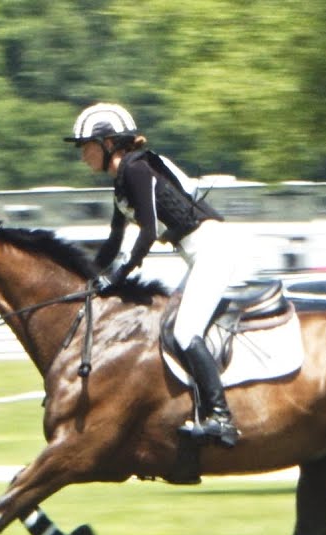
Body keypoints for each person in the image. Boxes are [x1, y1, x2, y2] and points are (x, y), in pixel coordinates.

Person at [65, 102, 241, 447]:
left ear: (108, 143)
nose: (82, 155)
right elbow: (113, 241)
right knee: (170, 325)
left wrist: (120, 273)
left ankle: (221, 418)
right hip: (199, 253)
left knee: (185, 331)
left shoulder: (136, 169)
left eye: (86, 146)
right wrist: (85, 278)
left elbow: (147, 232)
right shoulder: (122, 182)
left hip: (213, 249)